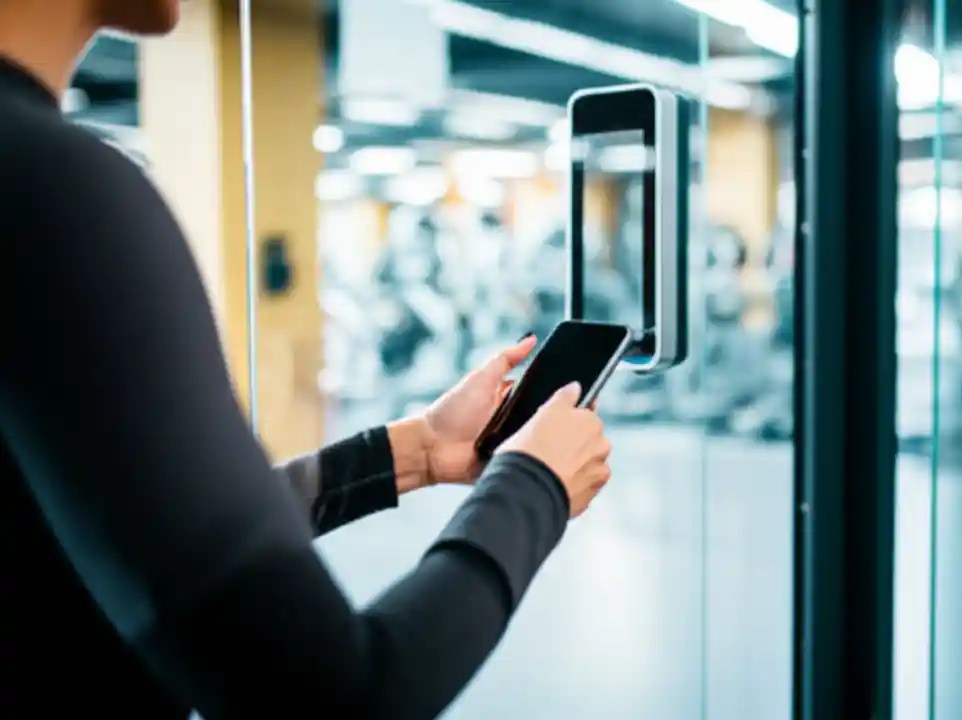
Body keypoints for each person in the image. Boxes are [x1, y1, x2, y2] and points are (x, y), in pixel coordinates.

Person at [0, 1, 613, 717]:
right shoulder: (53, 190)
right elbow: (336, 694)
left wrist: (411, 452)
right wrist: (533, 487)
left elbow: (130, 539)